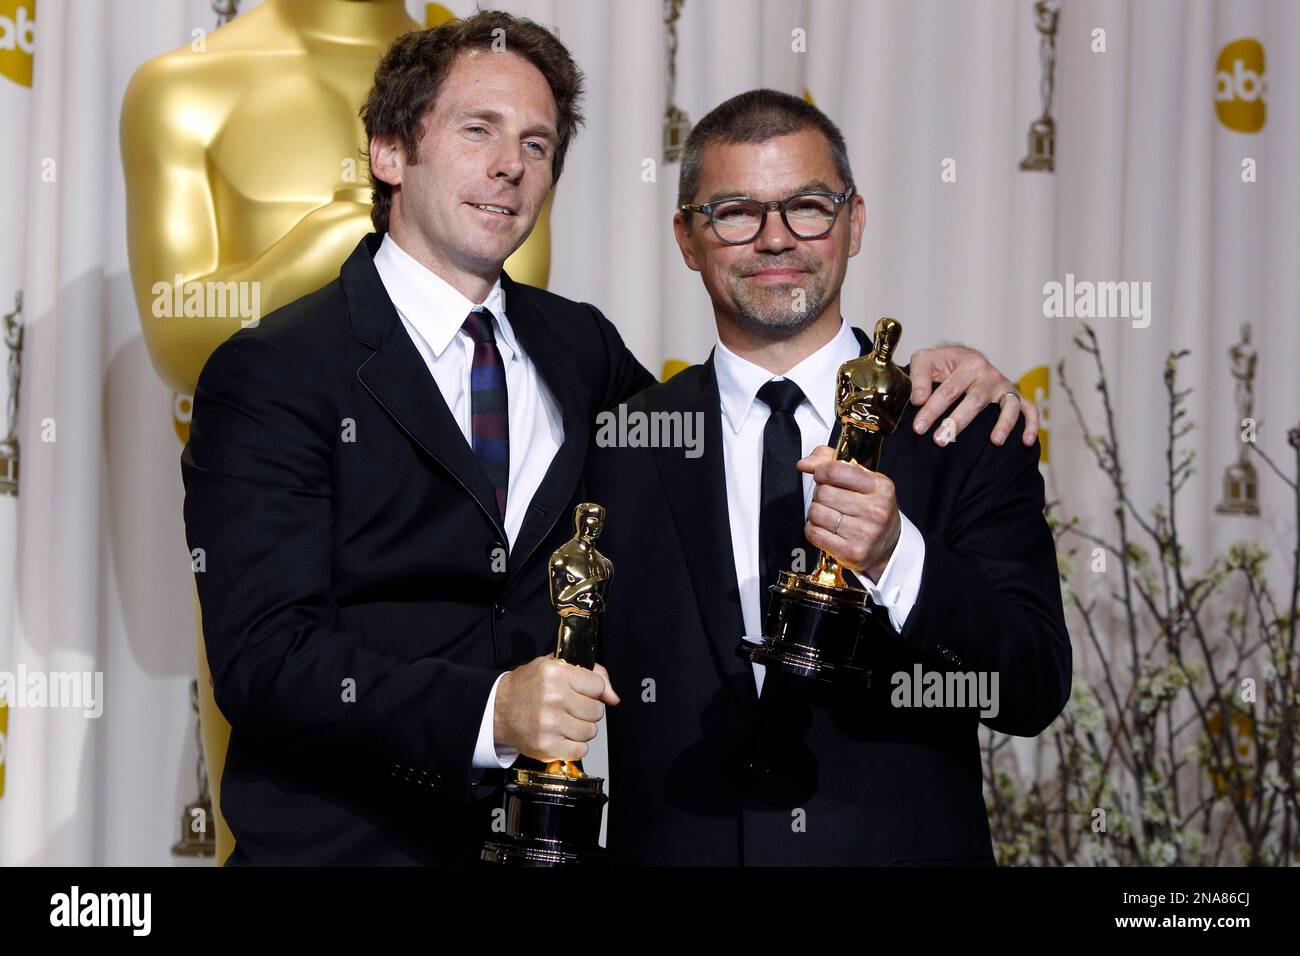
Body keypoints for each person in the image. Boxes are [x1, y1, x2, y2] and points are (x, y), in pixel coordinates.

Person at [182, 12, 1039, 865]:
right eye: (478, 129)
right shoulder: (275, 371)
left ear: (853, 222)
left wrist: (944, 372)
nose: (509, 166)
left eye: (538, 143)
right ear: (389, 152)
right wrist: (491, 714)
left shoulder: (581, 351)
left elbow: (732, 417)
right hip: (344, 850)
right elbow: (263, 656)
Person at [588, 89, 1072, 866]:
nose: (776, 239)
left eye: (808, 206)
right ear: (687, 236)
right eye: (736, 211)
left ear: (854, 221)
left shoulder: (959, 425)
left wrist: (895, 558)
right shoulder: (616, 440)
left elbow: (1031, 688)